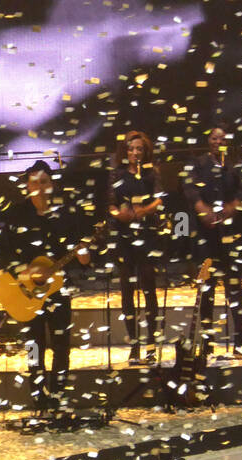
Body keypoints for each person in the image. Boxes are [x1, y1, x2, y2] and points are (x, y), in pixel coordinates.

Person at [0, 159, 92, 412]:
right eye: (34, 182)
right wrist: (24, 270)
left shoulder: (67, 214)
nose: (39, 186)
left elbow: (81, 251)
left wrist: (84, 257)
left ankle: (59, 395)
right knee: (34, 345)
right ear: (26, 186)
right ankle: (39, 396)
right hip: (26, 291)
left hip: (59, 288)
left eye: (44, 181)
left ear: (52, 185)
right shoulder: (15, 214)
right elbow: (1, 252)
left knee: (61, 344)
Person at [185, 127, 242, 362]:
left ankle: (239, 340)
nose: (218, 141)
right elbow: (190, 189)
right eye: (214, 137)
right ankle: (208, 340)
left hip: (230, 231)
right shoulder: (198, 164)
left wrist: (230, 209)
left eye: (222, 137)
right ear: (208, 140)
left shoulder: (235, 164)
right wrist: (204, 211)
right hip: (207, 231)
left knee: (234, 285)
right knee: (207, 286)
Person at [109, 130, 164, 365]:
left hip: (147, 234)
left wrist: (145, 210)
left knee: (148, 287)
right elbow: (110, 204)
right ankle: (133, 345)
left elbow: (160, 198)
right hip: (124, 236)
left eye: (139, 149)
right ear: (125, 151)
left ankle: (151, 344)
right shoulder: (117, 174)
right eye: (131, 149)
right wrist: (119, 214)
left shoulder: (152, 174)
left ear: (145, 151)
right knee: (127, 290)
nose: (135, 153)